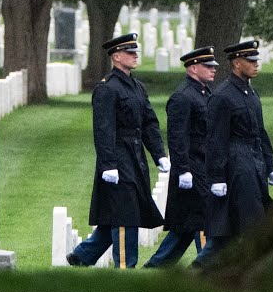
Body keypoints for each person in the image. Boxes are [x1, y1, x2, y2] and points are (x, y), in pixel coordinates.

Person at [67, 33, 169, 269]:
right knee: (125, 212)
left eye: (136, 52)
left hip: (135, 158)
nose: (135, 56)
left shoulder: (137, 87)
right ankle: (125, 265)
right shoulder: (107, 89)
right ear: (116, 56)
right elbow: (103, 130)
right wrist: (108, 164)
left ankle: (81, 256)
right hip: (118, 156)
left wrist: (159, 154)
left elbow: (149, 124)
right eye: (129, 52)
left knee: (119, 210)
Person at [195, 40, 273, 267]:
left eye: (256, 60)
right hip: (236, 165)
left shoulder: (251, 93)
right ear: (237, 63)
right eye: (250, 61)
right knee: (249, 225)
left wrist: (271, 166)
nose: (256, 64)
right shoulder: (223, 96)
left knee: (231, 231)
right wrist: (217, 177)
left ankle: (203, 271)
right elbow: (215, 140)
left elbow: (260, 132)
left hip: (254, 163)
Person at [144, 46, 217, 268]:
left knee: (185, 225)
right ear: (194, 68)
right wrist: (183, 170)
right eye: (208, 66)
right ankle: (207, 266)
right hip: (193, 168)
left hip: (205, 165)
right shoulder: (183, 97)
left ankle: (155, 266)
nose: (213, 70)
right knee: (204, 217)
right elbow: (177, 137)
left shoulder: (204, 93)